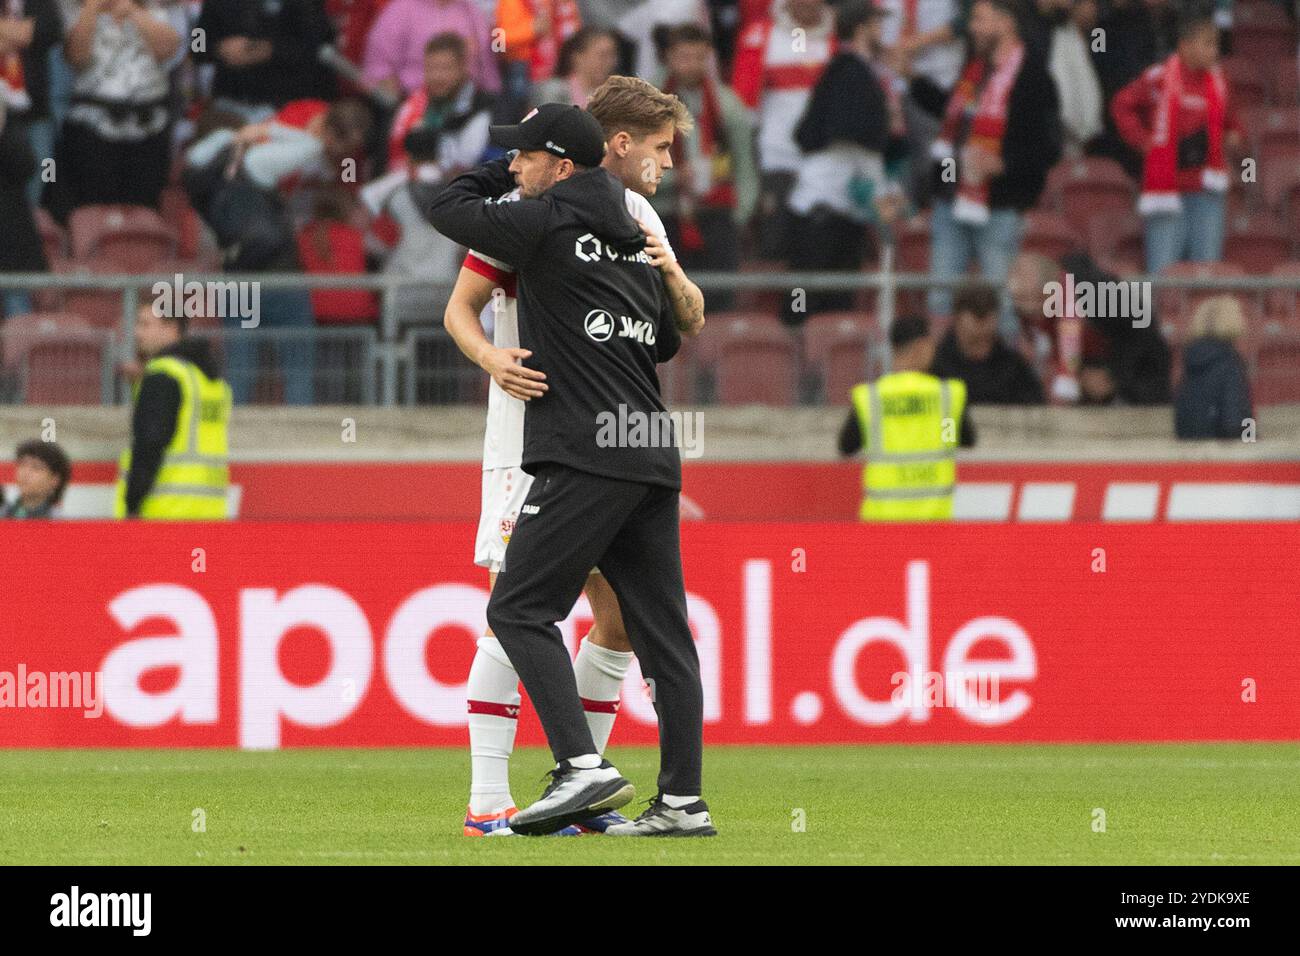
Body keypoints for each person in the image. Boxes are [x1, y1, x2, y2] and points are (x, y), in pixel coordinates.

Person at [424, 105, 715, 837]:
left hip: (577, 441)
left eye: (522, 154)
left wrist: (509, 171)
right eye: (658, 146)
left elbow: (446, 206)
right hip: (628, 441)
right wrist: (497, 356)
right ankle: (667, 802)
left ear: (557, 160)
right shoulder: (604, 219)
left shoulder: (547, 216)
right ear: (614, 146)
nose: (668, 161)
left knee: (525, 608)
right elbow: (667, 344)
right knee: (656, 631)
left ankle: (580, 773)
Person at [925, 0, 1061, 337]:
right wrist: (914, 82)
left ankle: (1004, 381)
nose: (972, 27)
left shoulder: (1034, 77)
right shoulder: (974, 69)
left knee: (1002, 302)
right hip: (951, 198)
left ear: (1006, 24)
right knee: (942, 299)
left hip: (1000, 206)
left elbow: (1049, 148)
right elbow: (950, 115)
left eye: (981, 20)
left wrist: (1004, 164)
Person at [784, 0, 904, 323]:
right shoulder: (848, 69)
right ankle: (800, 364)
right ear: (862, 28)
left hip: (845, 208)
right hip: (823, 207)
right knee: (807, 300)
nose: (882, 30)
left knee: (836, 302)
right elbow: (842, 130)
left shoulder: (864, 71)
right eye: (877, 23)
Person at [1111, 3, 1242, 274]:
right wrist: (1143, 141)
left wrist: (1233, 136)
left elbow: (1233, 122)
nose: (1214, 51)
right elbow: (1121, 104)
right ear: (1185, 45)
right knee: (1164, 273)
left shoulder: (1220, 83)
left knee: (1206, 273)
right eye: (1207, 44)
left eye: (1216, 44)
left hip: (1206, 190)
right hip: (1166, 188)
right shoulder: (1158, 78)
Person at [45, 0, 182, 223]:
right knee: (91, 210)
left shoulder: (157, 10)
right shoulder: (75, 10)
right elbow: (76, 57)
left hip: (148, 127)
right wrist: (92, 8)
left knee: (144, 210)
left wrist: (132, 11)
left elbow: (168, 49)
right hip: (91, 127)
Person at [654, 23, 757, 307]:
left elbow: (745, 166)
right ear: (669, 57)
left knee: (717, 302)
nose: (693, 65)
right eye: (684, 57)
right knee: (664, 303)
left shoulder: (727, 104)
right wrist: (675, 179)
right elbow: (631, 169)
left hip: (717, 214)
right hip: (662, 213)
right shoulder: (649, 103)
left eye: (700, 57)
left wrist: (738, 216)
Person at [838, 314, 974, 521]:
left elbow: (847, 446)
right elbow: (963, 439)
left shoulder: (872, 398)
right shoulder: (946, 396)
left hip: (881, 527)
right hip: (934, 526)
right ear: (922, 346)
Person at [732, 0, 836, 259]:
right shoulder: (761, 36)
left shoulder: (838, 36)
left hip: (825, 159)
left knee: (820, 242)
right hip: (776, 155)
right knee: (775, 241)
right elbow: (742, 105)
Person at [113, 303, 231, 520]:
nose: (137, 333)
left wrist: (132, 502)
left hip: (164, 510)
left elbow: (150, 444)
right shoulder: (209, 378)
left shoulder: (163, 375)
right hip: (210, 510)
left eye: (145, 324)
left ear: (172, 328)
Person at [193, 0, 337, 120]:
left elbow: (318, 48)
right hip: (228, 101)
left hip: (280, 104)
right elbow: (197, 44)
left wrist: (269, 50)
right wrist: (218, 50)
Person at [386, 32, 494, 174]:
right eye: (431, 68)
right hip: (410, 180)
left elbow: (465, 164)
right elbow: (397, 154)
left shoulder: (480, 108)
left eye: (445, 68)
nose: (437, 76)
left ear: (463, 68)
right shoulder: (414, 106)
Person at [929, 281, 1045, 404]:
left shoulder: (1012, 367)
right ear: (957, 318)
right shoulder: (935, 362)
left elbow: (1035, 406)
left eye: (987, 314)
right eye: (976, 314)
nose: (982, 325)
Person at [362, 0, 501, 100]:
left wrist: (493, 98)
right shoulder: (401, 9)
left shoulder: (471, 11)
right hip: (412, 102)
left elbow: (488, 67)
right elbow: (378, 66)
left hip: (466, 104)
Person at [1174, 295, 1252, 440]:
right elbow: (1235, 418)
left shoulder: (1191, 360)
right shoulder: (1230, 362)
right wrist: (1253, 439)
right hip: (1223, 451)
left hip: (1189, 448)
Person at [529, 25, 617, 107]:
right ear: (578, 57)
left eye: (612, 56)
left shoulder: (613, 97)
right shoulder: (553, 91)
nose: (610, 62)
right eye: (603, 55)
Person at [3, 438, 70, 518]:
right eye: (22, 465)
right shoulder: (5, 514)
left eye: (36, 467)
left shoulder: (59, 522)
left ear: (55, 480)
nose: (25, 473)